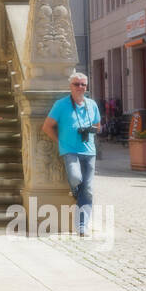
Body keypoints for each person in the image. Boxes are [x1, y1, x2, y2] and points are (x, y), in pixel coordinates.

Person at [42, 73, 101, 236]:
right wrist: (60, 142)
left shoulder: (92, 104)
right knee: (75, 178)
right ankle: (77, 193)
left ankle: (82, 227)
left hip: (89, 151)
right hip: (70, 150)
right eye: (77, 84)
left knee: (88, 190)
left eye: (83, 85)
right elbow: (47, 127)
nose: (80, 87)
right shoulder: (61, 105)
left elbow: (98, 125)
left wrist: (93, 130)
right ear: (70, 86)